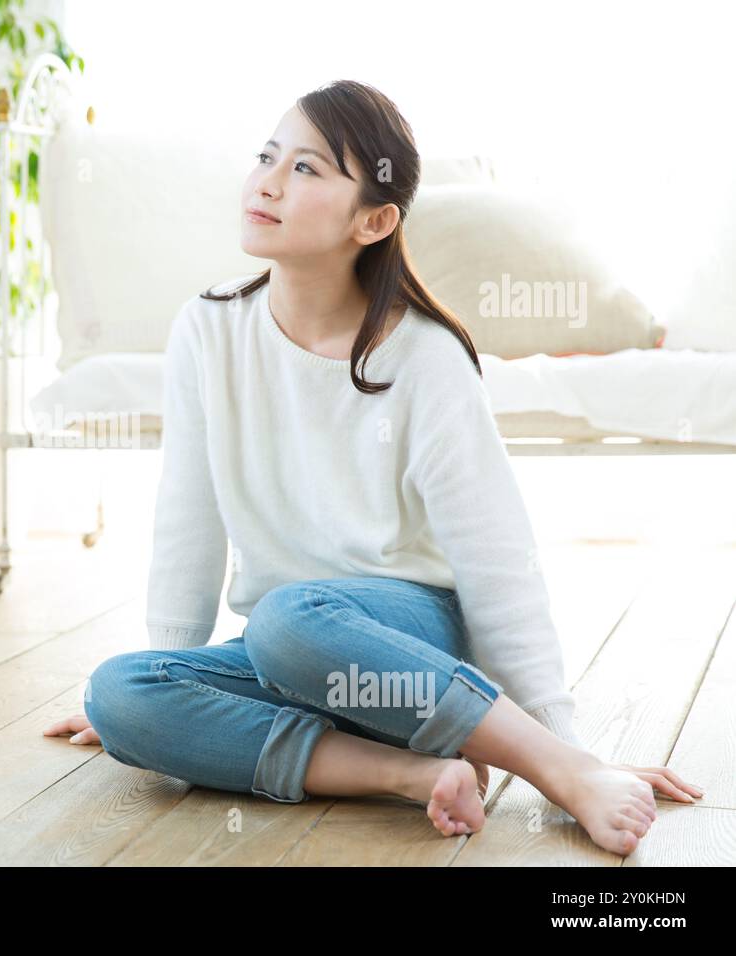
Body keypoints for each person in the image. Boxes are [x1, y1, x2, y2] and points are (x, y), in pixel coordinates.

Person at [43, 79, 703, 856]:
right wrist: (166, 665)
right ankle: (413, 774)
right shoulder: (208, 328)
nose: (267, 180)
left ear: (375, 218)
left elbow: (497, 561)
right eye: (267, 156)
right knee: (120, 690)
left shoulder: (425, 355)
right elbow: (187, 520)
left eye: (307, 169)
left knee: (291, 618)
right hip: (293, 662)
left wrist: (572, 750)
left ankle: (550, 767)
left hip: (408, 644)